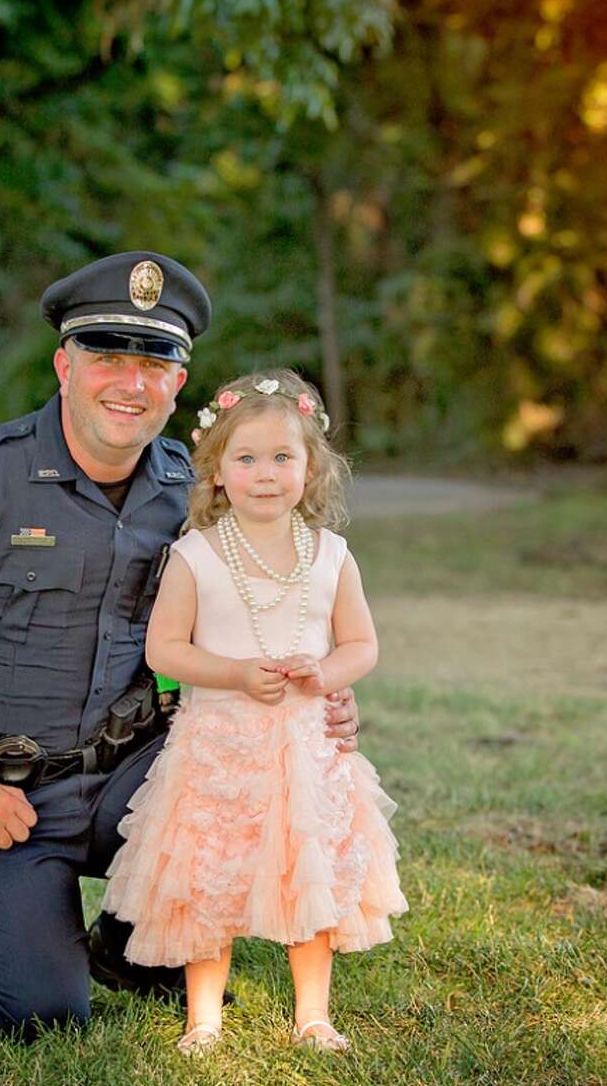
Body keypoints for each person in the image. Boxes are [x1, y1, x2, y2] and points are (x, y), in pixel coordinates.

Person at [0, 252, 363, 1036]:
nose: (130, 383)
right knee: (38, 1010)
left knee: (262, 798)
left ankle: (129, 944)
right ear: (64, 364)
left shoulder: (196, 493)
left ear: (179, 384)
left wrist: (324, 700)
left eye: (154, 362)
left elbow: (271, 616)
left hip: (131, 780)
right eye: (108, 357)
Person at [102, 368, 408, 1054]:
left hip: (307, 752)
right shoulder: (198, 555)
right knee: (208, 879)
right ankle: (203, 1017)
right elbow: (164, 649)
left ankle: (313, 1015)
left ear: (311, 468)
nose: (264, 474)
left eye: (282, 458)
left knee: (310, 875)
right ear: (216, 470)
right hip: (218, 750)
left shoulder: (331, 556)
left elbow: (362, 643)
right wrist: (236, 673)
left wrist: (323, 671)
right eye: (245, 459)